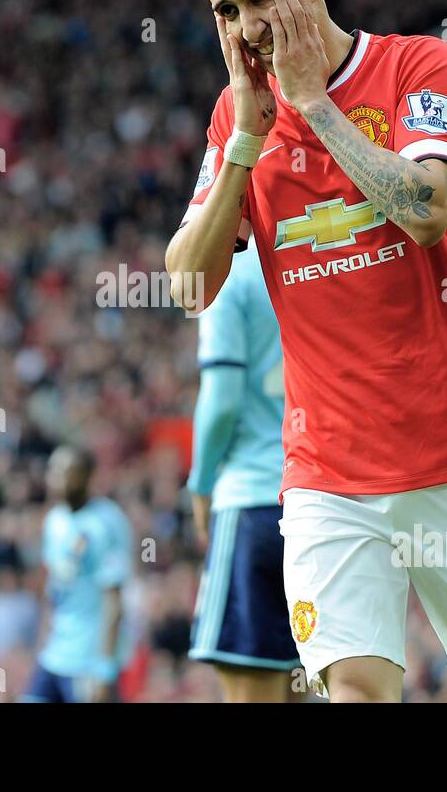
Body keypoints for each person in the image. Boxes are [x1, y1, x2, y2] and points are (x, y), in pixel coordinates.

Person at [165, 0, 447, 702]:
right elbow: (186, 286)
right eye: (226, 9)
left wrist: (315, 106)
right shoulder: (233, 120)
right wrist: (249, 139)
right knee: (352, 691)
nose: (247, 25)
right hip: (328, 477)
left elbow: (424, 211)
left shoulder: (416, 66)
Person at [186, 243, 302, 702]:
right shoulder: (320, 251)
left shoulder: (228, 272)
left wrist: (201, 485)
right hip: (324, 497)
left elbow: (222, 402)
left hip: (253, 499)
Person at [20, 445, 133, 703]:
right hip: (56, 653)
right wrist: (42, 644)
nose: (56, 478)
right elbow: (55, 588)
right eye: (53, 470)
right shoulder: (55, 520)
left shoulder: (106, 522)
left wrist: (105, 668)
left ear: (87, 476)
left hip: (88, 659)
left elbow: (114, 599)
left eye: (66, 472)